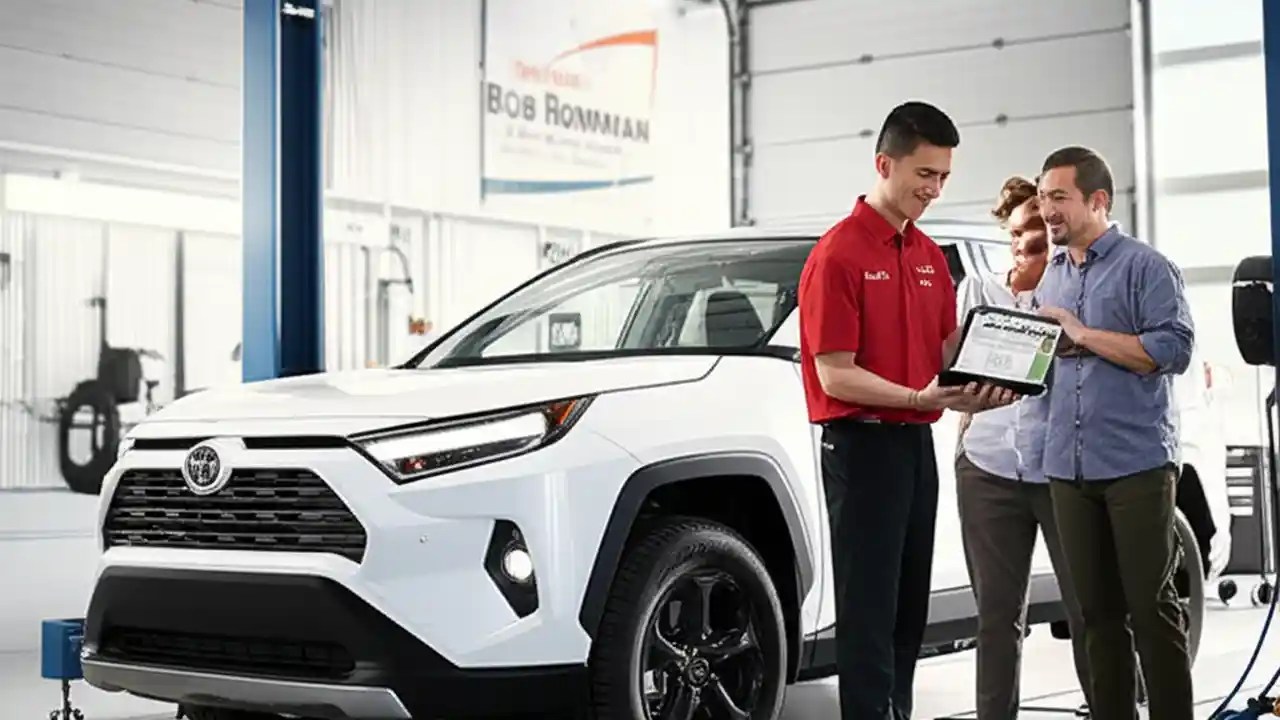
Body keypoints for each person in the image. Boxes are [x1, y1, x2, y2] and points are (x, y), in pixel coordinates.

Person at [797, 100, 1017, 720]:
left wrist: (994, 375)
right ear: (883, 163)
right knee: (868, 610)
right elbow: (833, 372)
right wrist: (920, 398)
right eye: (925, 175)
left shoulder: (927, 255)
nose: (935, 189)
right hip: (861, 447)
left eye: (944, 177)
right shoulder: (837, 255)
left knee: (907, 609)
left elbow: (948, 349)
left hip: (915, 448)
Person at [1033, 146, 1196, 720]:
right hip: (1067, 467)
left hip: (1135, 464)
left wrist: (1082, 333)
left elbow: (1170, 350)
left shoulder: (1146, 267)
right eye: (1041, 196)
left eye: (1059, 197)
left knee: (1151, 609)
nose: (1046, 209)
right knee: (1094, 615)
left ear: (1097, 200)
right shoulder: (1049, 275)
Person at [953, 175, 1092, 719]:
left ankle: (1112, 706)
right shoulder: (979, 289)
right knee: (996, 615)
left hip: (1058, 467)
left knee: (1087, 607)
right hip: (986, 465)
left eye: (1035, 230)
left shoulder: (1068, 291)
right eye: (1014, 232)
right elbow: (956, 365)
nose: (1023, 242)